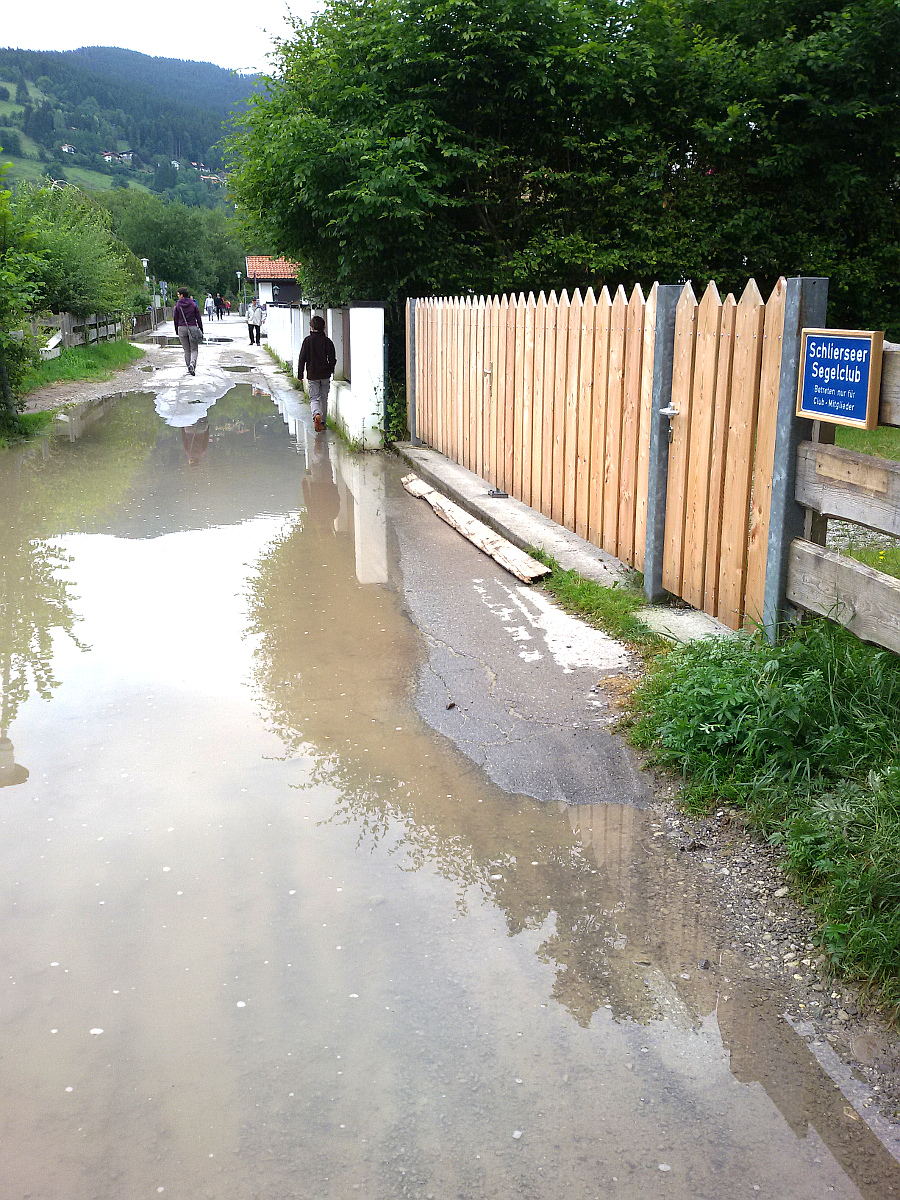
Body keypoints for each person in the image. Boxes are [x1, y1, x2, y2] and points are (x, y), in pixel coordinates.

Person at [297, 315, 336, 433]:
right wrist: (331, 369)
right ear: (324, 327)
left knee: (314, 398)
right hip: (325, 374)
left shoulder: (307, 341)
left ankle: (316, 415)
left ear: (312, 327)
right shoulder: (328, 342)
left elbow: (302, 358)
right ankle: (322, 422)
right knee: (324, 398)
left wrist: (300, 375)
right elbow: (332, 358)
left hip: (312, 375)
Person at [173, 287, 203, 376]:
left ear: (182, 295)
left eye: (178, 294)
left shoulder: (178, 305)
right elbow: (198, 317)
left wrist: (176, 330)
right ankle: (192, 364)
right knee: (194, 349)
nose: (178, 296)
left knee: (186, 350)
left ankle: (188, 367)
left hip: (181, 328)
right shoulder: (193, 304)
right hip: (193, 327)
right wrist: (200, 328)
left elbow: (175, 318)